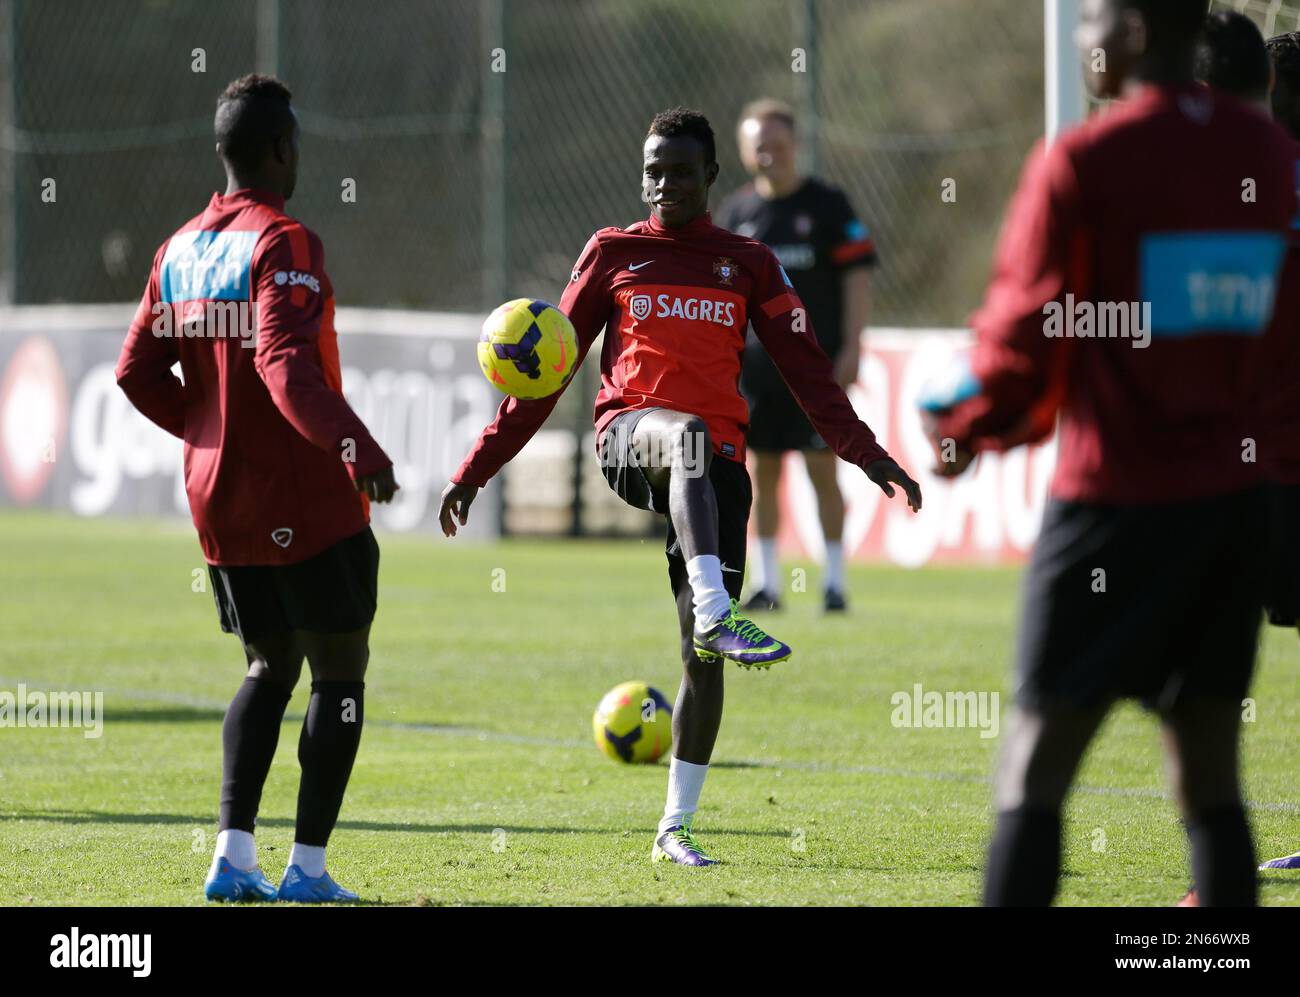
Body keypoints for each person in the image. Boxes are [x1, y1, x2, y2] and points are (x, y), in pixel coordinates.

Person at [439, 107, 920, 867]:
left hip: (718, 467)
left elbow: (808, 375)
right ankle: (719, 607)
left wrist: (867, 453)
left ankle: (673, 827)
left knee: (703, 660)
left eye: (681, 171)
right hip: (631, 437)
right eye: (654, 170)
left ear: (710, 178)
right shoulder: (613, 252)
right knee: (688, 439)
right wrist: (475, 470)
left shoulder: (749, 261)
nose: (665, 184)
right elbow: (545, 369)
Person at [919, 0, 1295, 906]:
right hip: (1236, 508)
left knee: (1033, 766)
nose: (1082, 38)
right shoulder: (1270, 161)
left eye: (1090, 19)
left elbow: (1025, 333)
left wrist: (967, 428)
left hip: (1114, 502)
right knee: (1210, 776)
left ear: (1136, 28)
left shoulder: (1089, 157)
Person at [116, 74, 399, 903]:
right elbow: (283, 362)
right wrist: (360, 447)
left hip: (219, 497)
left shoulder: (179, 249)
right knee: (339, 673)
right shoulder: (286, 241)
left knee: (266, 664)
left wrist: (211, 432)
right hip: (306, 493)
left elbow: (136, 371)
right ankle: (307, 871)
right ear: (282, 149)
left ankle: (233, 856)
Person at [715, 99, 877, 613]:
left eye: (778, 146)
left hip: (815, 368)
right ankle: (769, 584)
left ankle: (834, 583)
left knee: (821, 469)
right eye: (760, 147)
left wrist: (853, 345)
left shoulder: (829, 206)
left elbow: (858, 277)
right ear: (745, 152)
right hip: (756, 371)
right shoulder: (737, 215)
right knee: (761, 473)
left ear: (795, 148)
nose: (770, 156)